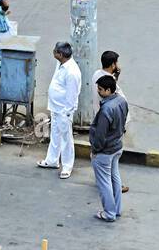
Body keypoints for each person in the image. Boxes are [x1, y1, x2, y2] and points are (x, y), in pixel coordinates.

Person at [37, 42, 82, 179]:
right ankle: (52, 160)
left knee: (66, 139)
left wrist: (67, 114)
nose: (53, 52)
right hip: (55, 107)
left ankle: (67, 167)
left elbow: (72, 95)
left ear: (61, 55)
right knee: (55, 135)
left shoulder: (72, 72)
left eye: (55, 51)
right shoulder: (61, 64)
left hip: (63, 111)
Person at [90, 74, 129, 223]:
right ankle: (116, 209)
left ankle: (109, 212)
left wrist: (95, 150)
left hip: (105, 150)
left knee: (104, 182)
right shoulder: (122, 101)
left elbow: (100, 135)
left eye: (100, 90)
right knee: (115, 177)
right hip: (117, 146)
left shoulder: (106, 109)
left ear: (108, 90)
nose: (98, 92)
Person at [95, 50, 130, 195]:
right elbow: (121, 101)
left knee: (110, 165)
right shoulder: (112, 95)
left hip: (102, 123)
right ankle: (111, 203)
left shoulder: (97, 76)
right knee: (111, 165)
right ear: (113, 64)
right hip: (113, 130)